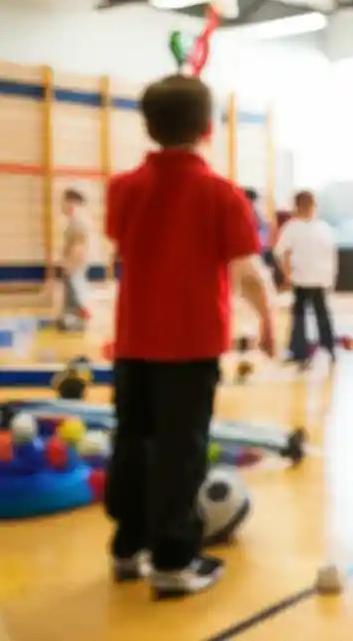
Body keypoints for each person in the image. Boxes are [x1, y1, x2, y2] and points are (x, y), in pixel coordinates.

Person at [105, 74, 275, 598]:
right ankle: (175, 561)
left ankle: (127, 547)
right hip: (191, 344)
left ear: (149, 127)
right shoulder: (221, 194)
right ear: (207, 128)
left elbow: (123, 251)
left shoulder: (123, 188)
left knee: (132, 441)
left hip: (134, 342)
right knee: (181, 449)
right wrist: (269, 321)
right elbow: (246, 272)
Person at [275, 190, 337, 367]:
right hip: (304, 278)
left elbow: (329, 254)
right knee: (306, 315)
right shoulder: (294, 227)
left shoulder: (321, 228)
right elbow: (284, 253)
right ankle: (308, 349)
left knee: (313, 314)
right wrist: (287, 275)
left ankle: (316, 348)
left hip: (314, 278)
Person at [57, 188, 93, 332]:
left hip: (75, 265)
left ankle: (76, 321)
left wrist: (69, 265)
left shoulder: (78, 221)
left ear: (70, 203)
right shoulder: (75, 220)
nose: (61, 206)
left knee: (76, 295)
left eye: (63, 202)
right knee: (73, 295)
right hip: (74, 265)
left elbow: (79, 246)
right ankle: (73, 319)